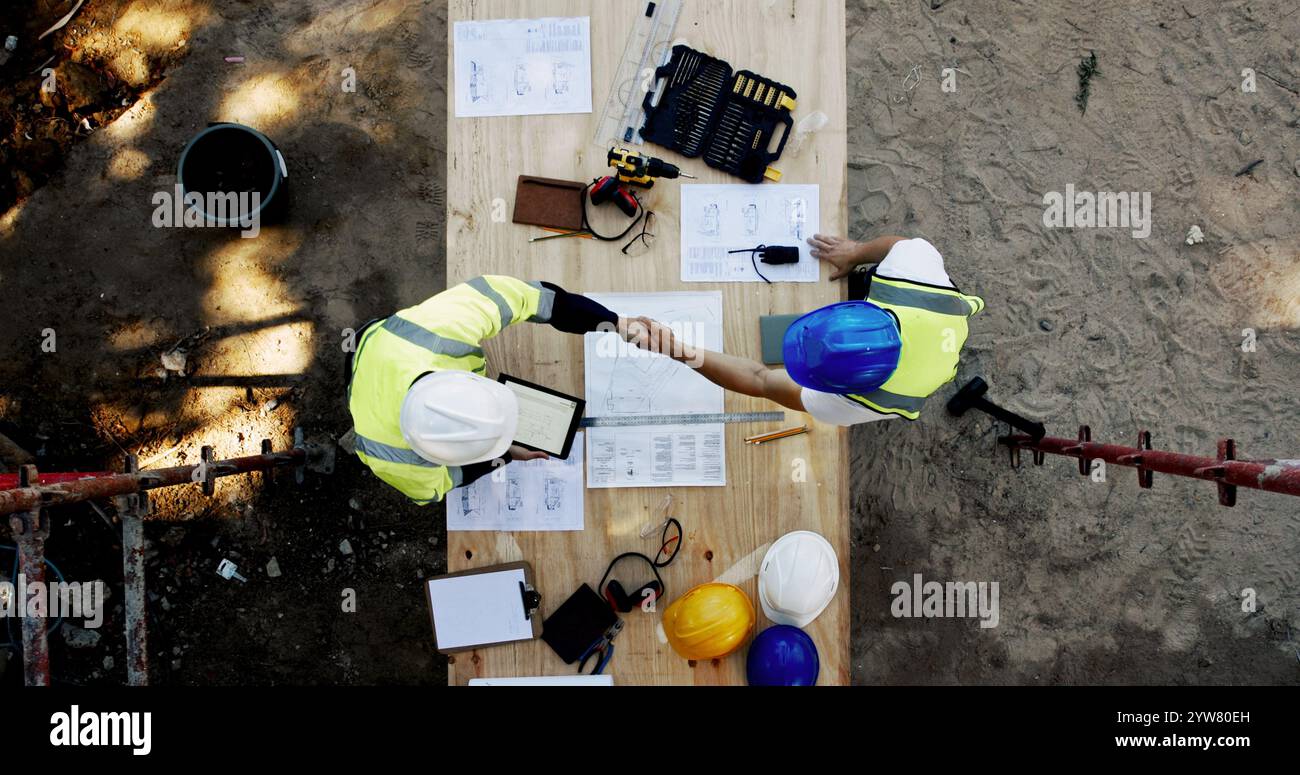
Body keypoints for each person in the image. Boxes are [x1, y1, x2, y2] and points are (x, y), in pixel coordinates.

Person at [629, 235, 984, 426]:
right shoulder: (912, 271)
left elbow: (760, 381)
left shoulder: (857, 405)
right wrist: (855, 252)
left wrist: (677, 350)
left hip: (929, 373)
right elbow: (898, 244)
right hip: (943, 326)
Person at [347, 276, 637, 504]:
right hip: (366, 371)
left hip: (379, 344)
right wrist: (504, 456)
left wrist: (614, 322)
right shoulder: (399, 466)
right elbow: (448, 481)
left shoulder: (442, 327)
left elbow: (533, 298)